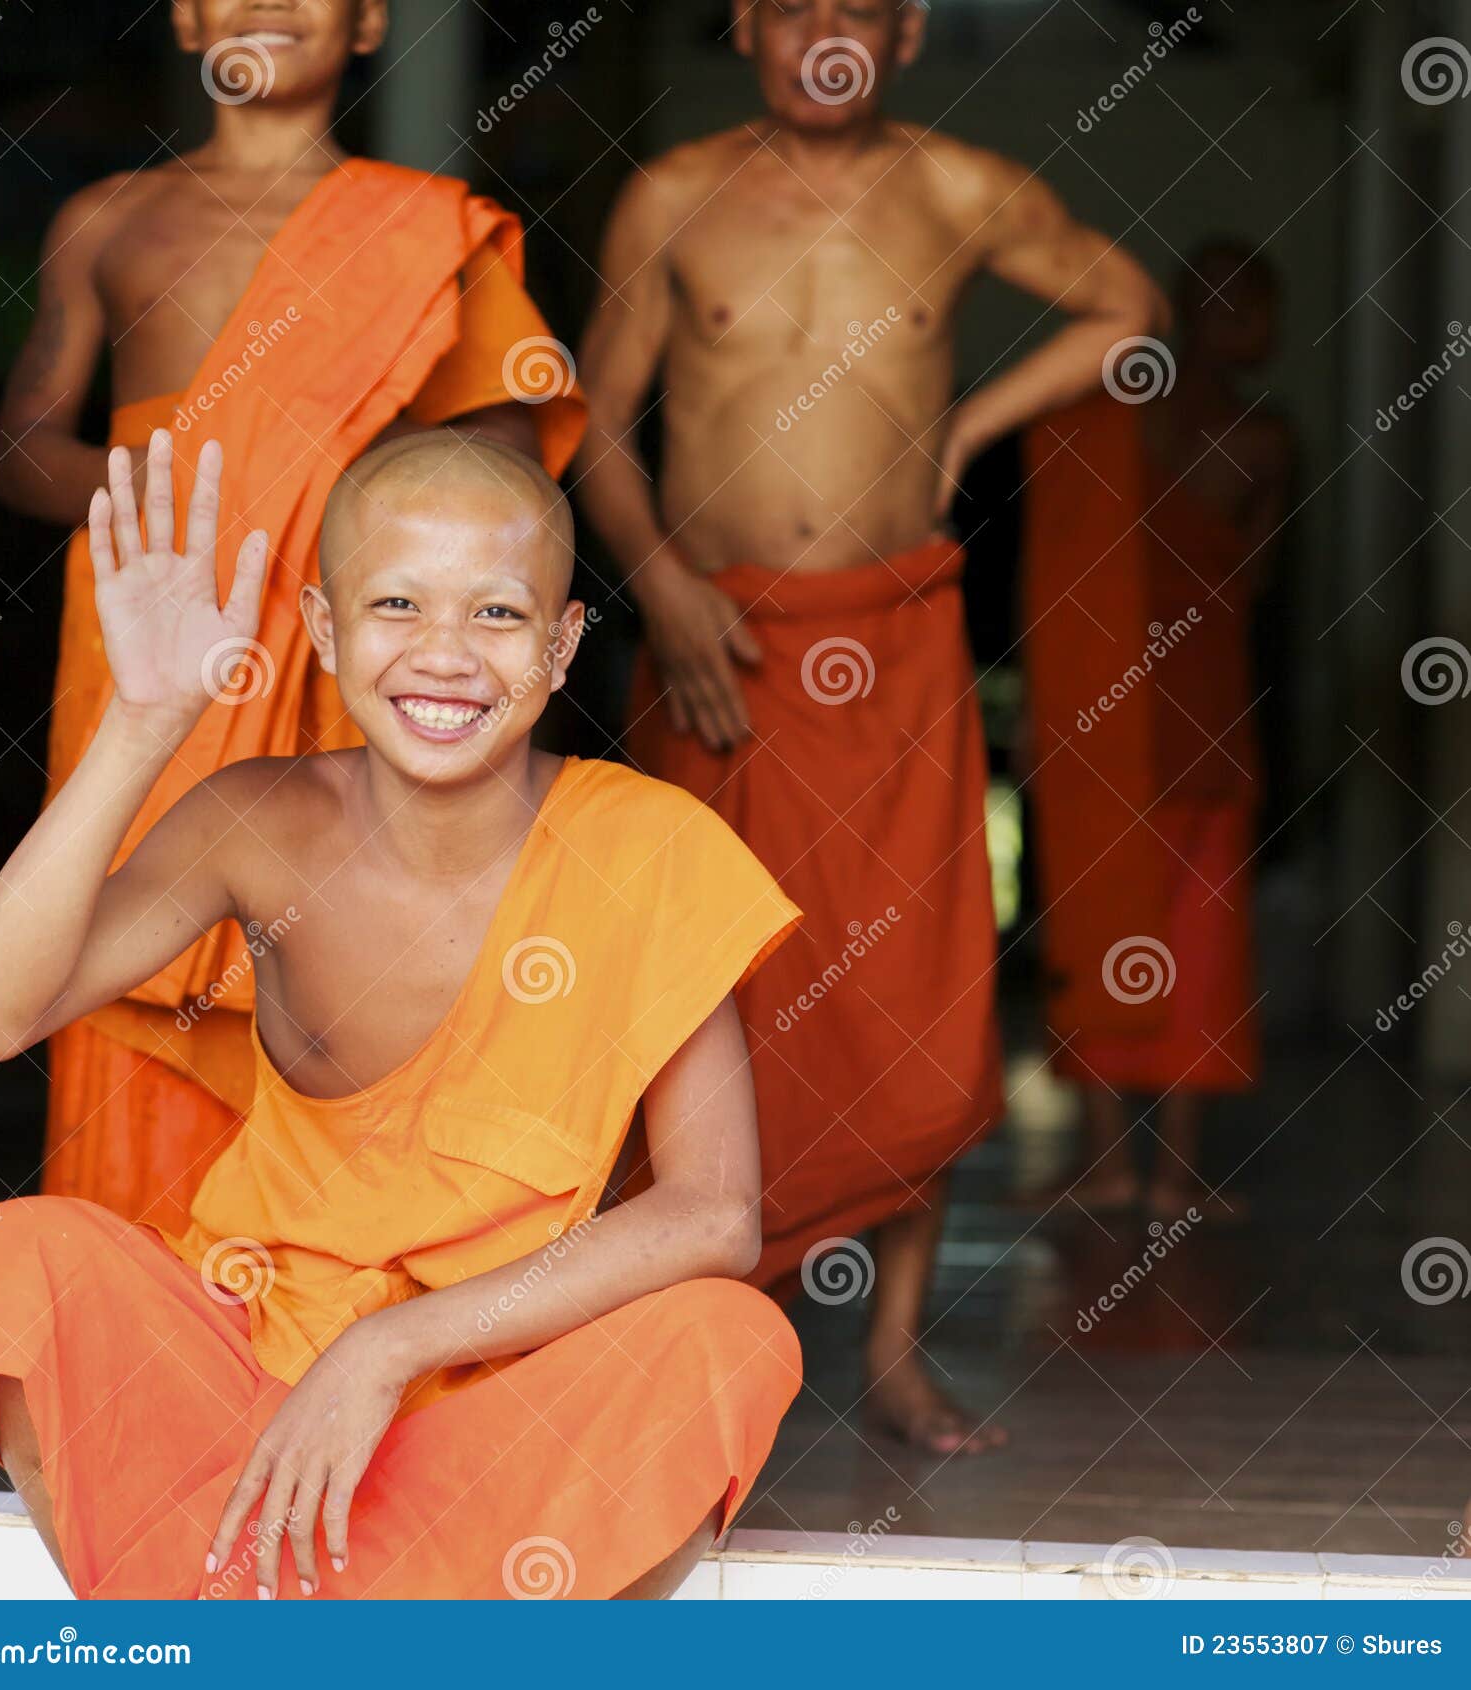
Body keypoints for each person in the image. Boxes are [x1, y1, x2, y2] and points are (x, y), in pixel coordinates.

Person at [0, 431, 802, 1600]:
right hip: (248, 1372)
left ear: (560, 646)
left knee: (729, 1341)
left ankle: (298, 1616)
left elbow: (713, 1217)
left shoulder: (646, 848)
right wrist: (146, 721)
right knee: (16, 1254)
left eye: (497, 615)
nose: (444, 655)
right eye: (396, 602)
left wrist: (392, 1346)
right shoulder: (261, 819)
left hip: (486, 1401)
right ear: (327, 627)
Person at [574, 0, 1164, 1453]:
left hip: (895, 641)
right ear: (745, 28)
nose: (823, 30)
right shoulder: (676, 194)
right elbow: (589, 423)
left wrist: (963, 429)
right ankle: (696, 1349)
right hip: (722, 653)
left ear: (903, 33)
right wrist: (662, 588)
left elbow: (1127, 307)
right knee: (710, 1004)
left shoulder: (960, 189)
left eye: (858, 5)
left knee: (912, 1005)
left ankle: (892, 1354)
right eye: (792, 6)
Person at [0, 0, 585, 1234]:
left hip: (339, 636)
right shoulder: (104, 219)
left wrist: (331, 506)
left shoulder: (430, 233)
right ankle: (121, 1336)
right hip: (150, 622)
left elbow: (504, 478)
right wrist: (190, 497)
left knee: (327, 930)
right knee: (113, 919)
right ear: (189, 15)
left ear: (367, 23)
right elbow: (22, 452)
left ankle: (306, 1326)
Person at [1021, 240, 1292, 1220]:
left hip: (1101, 721)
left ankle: (1110, 1165)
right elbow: (1255, 580)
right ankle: (1172, 1177)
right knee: (1198, 944)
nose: (1265, 332)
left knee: (1102, 932)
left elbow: (1049, 584)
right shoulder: (1261, 442)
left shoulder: (1093, 425)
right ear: (1200, 314)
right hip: (1201, 717)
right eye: (1251, 309)